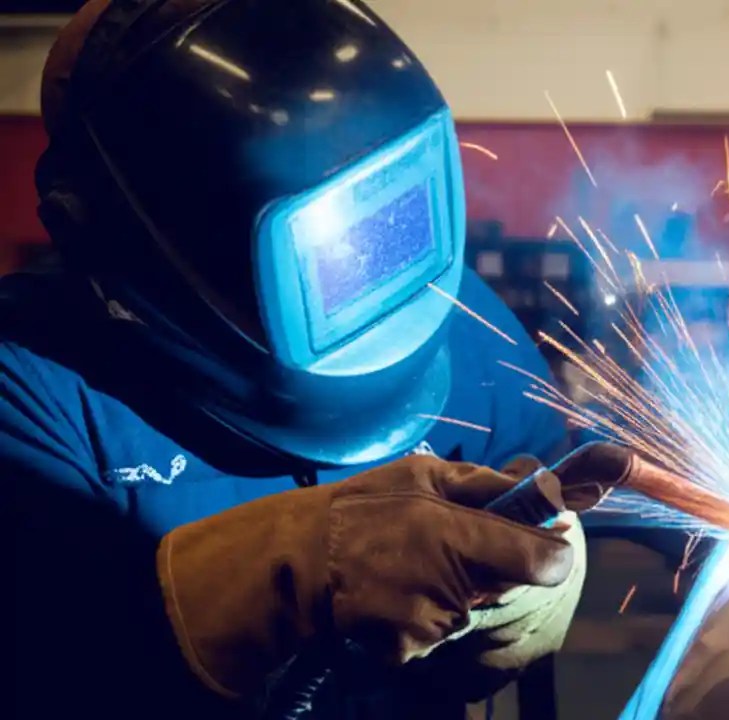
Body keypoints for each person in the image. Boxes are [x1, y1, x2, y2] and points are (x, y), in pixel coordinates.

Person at [0, 0, 588, 717]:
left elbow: (541, 475)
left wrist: (533, 578)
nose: (363, 275)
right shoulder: (27, 388)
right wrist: (267, 585)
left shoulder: (463, 323)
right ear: (111, 243)